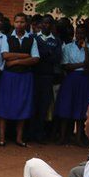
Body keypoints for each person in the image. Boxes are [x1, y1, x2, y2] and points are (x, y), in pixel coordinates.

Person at [0, 12, 38, 147]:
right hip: (9, 77)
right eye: (17, 22)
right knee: (4, 105)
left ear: (26, 24)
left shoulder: (32, 39)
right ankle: (1, 138)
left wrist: (15, 62)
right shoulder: (6, 38)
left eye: (22, 22)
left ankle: (19, 138)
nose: (19, 24)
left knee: (23, 106)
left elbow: (35, 59)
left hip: (25, 77)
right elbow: (5, 55)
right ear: (14, 23)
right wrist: (25, 55)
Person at [54, 23, 89, 145]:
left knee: (81, 109)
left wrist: (86, 49)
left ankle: (78, 138)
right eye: (78, 33)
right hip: (71, 79)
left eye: (82, 33)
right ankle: (62, 137)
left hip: (84, 80)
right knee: (66, 107)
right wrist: (83, 65)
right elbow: (66, 66)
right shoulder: (67, 47)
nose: (80, 35)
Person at [31, 15, 61, 143]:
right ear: (41, 24)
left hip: (47, 77)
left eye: (49, 23)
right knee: (32, 105)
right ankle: (29, 133)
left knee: (44, 106)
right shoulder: (33, 38)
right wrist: (47, 52)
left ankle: (39, 134)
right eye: (44, 23)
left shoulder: (56, 41)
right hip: (33, 75)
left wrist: (43, 53)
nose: (46, 25)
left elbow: (56, 58)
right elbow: (33, 56)